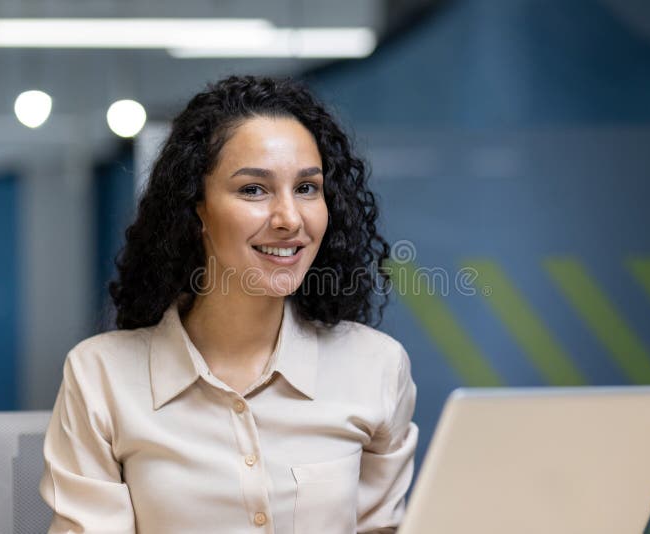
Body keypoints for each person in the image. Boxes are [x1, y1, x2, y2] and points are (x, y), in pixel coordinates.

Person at [39, 75, 419, 534]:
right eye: (253, 190)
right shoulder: (101, 375)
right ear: (196, 207)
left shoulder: (376, 366)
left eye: (306, 188)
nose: (289, 219)